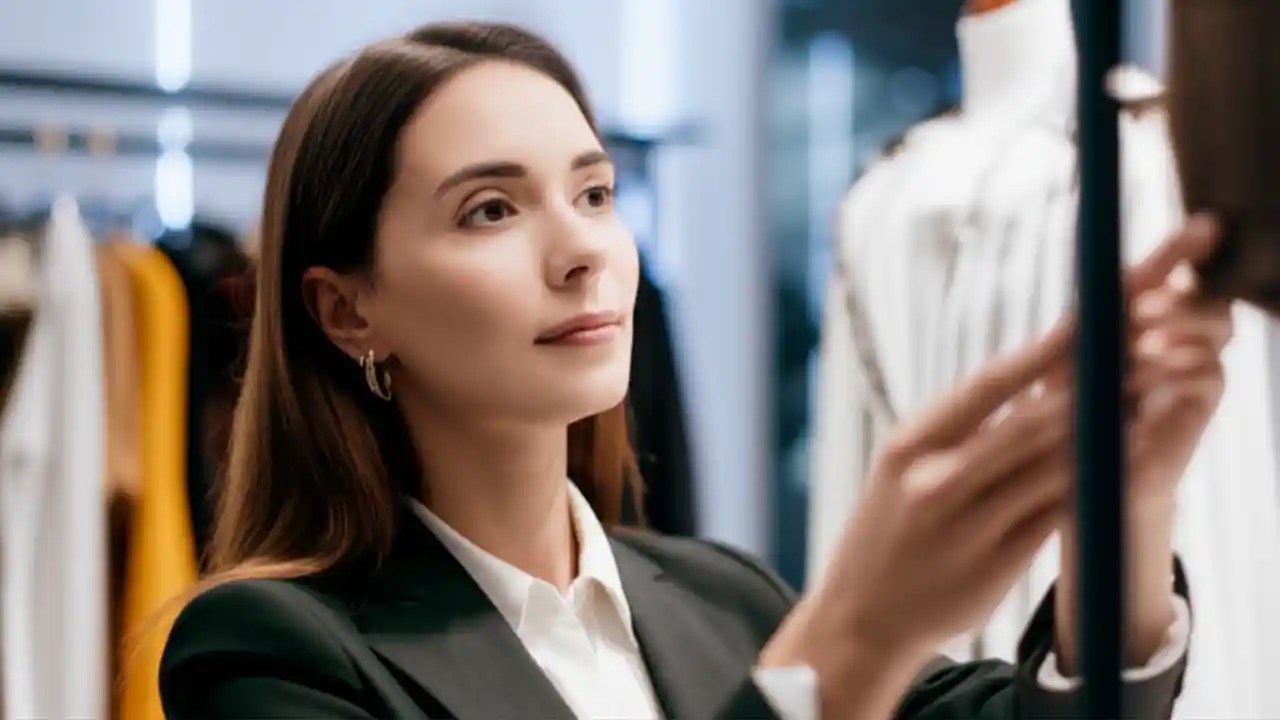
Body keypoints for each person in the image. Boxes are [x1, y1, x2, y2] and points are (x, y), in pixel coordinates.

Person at [158, 21, 1230, 720]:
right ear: (347, 310)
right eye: (490, 209)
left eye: (593, 194)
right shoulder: (271, 659)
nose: (581, 249)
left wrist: (1124, 503)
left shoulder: (723, 597)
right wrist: (848, 641)